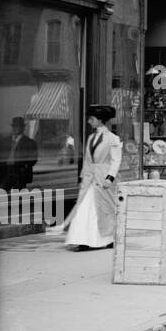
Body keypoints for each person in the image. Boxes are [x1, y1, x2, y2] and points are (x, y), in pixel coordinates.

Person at [55, 104, 121, 250]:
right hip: (90, 179)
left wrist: (110, 178)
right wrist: (82, 177)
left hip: (104, 179)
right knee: (85, 208)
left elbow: (116, 160)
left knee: (105, 209)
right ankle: (83, 240)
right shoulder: (91, 138)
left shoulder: (113, 138)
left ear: (100, 120)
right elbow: (87, 160)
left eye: (91, 119)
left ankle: (107, 239)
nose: (89, 121)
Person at [7, 116, 39, 190]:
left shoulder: (30, 142)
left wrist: (24, 167)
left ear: (23, 128)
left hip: (20, 174)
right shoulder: (7, 140)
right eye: (13, 127)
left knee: (18, 195)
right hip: (6, 173)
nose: (15, 129)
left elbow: (33, 158)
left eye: (17, 127)